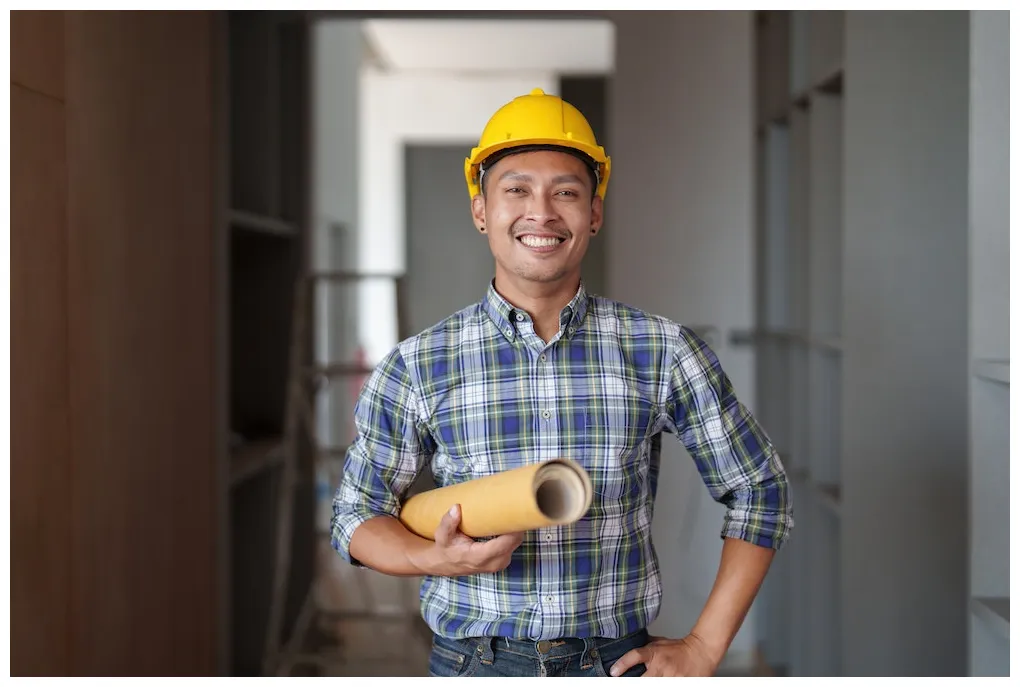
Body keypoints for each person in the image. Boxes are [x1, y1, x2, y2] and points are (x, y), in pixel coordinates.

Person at [331, 88, 794, 678]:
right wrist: (435, 558)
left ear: (594, 213)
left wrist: (705, 646)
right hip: (474, 664)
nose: (541, 212)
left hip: (614, 663)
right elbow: (355, 514)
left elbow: (760, 488)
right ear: (480, 210)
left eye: (567, 193)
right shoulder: (418, 364)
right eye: (516, 189)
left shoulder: (663, 349)